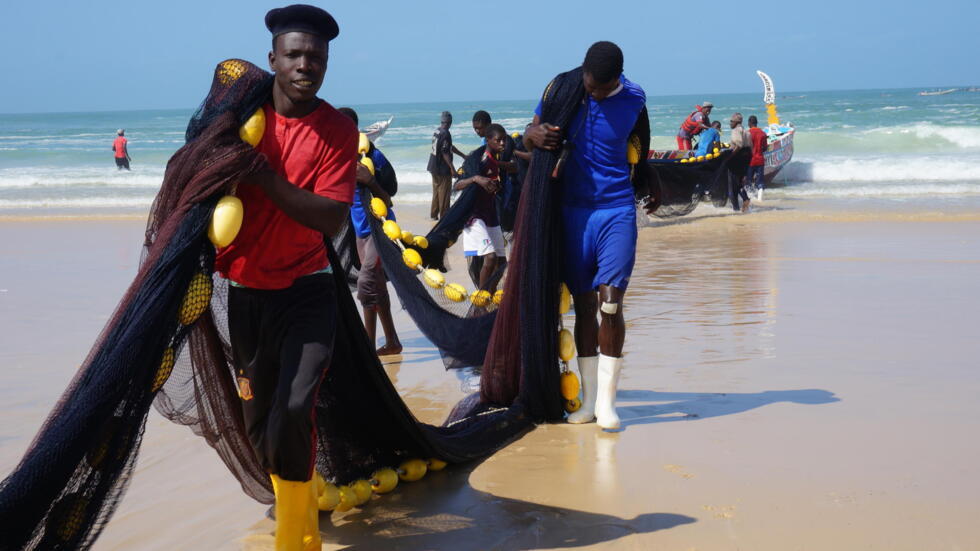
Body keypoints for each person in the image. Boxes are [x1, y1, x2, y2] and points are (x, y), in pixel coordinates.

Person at [213, 6, 355, 549]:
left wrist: (264, 177)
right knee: (258, 426)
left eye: (315, 57)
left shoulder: (337, 129)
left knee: (294, 409)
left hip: (307, 291)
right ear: (272, 59)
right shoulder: (238, 121)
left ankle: (298, 540)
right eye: (293, 55)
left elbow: (330, 216)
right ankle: (301, 496)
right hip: (247, 295)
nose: (305, 65)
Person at [525, 41, 652, 430]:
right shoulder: (565, 90)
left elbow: (641, 145)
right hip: (572, 213)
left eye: (596, 87)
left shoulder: (634, 98)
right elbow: (529, 133)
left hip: (615, 209)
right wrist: (536, 135)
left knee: (610, 304)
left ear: (615, 80)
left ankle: (609, 406)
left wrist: (650, 179)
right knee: (582, 306)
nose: (589, 90)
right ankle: (589, 402)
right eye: (587, 81)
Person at [338, 107, 402, 356]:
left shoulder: (372, 156)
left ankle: (366, 344)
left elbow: (390, 197)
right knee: (376, 286)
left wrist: (370, 181)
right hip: (360, 231)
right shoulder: (338, 156)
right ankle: (391, 341)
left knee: (366, 282)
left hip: (379, 228)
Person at [454, 123, 508, 292]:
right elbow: (457, 185)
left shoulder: (496, 160)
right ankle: (482, 299)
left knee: (501, 262)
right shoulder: (479, 159)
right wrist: (476, 179)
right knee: (490, 258)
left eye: (504, 140)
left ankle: (489, 293)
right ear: (488, 140)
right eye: (498, 141)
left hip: (490, 215)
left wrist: (495, 186)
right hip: (474, 216)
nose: (502, 144)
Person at [427, 111, 462, 220]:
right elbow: (445, 152)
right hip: (442, 169)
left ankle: (433, 215)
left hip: (433, 167)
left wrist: (463, 155)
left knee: (437, 192)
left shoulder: (437, 130)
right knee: (445, 194)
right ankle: (444, 218)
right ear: (449, 122)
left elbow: (449, 147)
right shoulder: (446, 133)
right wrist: (452, 169)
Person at [728, 113, 752, 212]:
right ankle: (745, 199)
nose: (730, 123)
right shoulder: (747, 132)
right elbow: (750, 148)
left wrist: (730, 156)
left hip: (737, 160)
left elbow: (739, 144)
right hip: (745, 159)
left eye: (731, 121)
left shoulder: (736, 130)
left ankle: (736, 209)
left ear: (736, 122)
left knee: (733, 185)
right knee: (738, 183)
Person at [747, 115, 768, 200]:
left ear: (749, 123)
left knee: (748, 181)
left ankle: (750, 198)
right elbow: (765, 148)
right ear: (756, 123)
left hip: (750, 161)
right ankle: (760, 199)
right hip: (760, 160)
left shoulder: (747, 133)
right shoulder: (763, 133)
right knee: (760, 181)